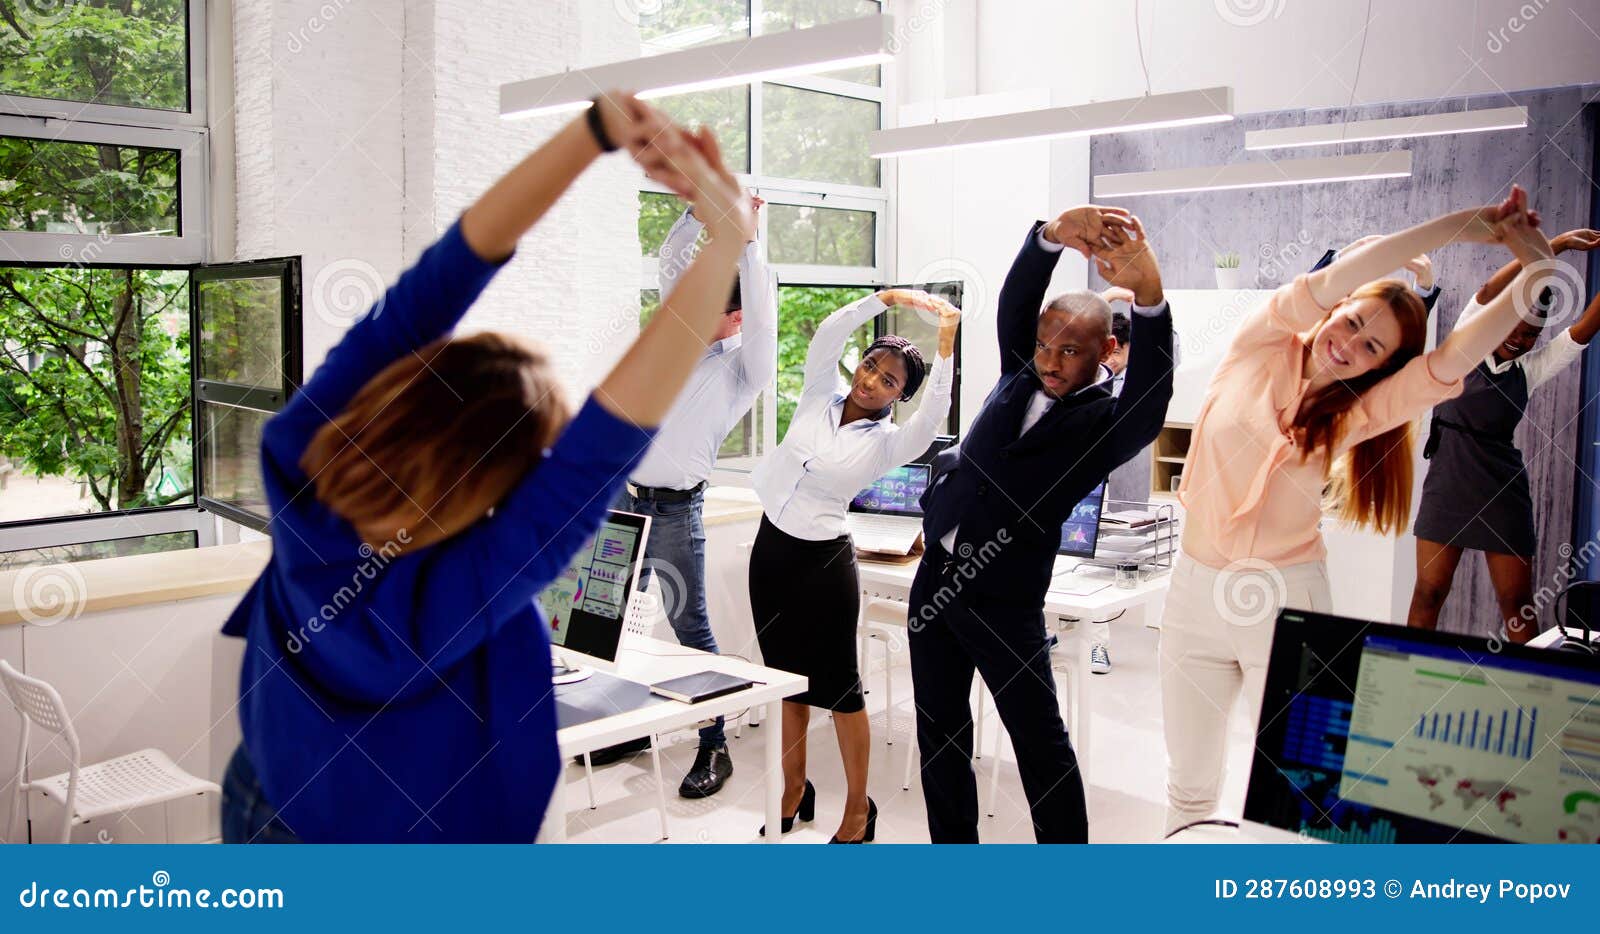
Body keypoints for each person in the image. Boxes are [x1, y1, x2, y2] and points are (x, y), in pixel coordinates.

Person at [218, 94, 756, 843]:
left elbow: (442, 277)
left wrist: (595, 130)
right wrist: (727, 237)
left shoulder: (298, 462)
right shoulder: (475, 580)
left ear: (401, 395)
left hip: (265, 799)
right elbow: (608, 438)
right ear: (498, 482)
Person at [1159, 185, 1557, 836]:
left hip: (1287, 601)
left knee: (1300, 796)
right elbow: (1348, 273)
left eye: (1373, 348)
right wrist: (1463, 224)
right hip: (1192, 594)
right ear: (1337, 306)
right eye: (1352, 322)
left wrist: (1538, 271)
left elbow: (1453, 358)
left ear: (1381, 367)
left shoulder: (1358, 413)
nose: (1350, 344)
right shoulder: (1262, 339)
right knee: (1188, 788)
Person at [910, 206, 1176, 843]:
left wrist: (1150, 299)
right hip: (935, 579)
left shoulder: (1104, 425)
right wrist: (1052, 237)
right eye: (1045, 346)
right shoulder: (1018, 372)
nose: (1052, 361)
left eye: (1070, 351)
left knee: (1039, 745)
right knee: (940, 733)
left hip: (1003, 600)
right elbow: (1016, 300)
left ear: (1105, 351)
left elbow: (1150, 398)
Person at [750, 288, 961, 843]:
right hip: (771, 552)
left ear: (899, 397)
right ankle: (793, 789)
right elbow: (828, 334)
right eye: (871, 367)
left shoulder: (890, 443)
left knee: (841, 690)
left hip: (823, 567)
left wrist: (945, 345)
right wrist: (885, 298)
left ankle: (858, 809)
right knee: (785, 681)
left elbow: (933, 414)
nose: (871, 381)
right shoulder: (817, 395)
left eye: (889, 381)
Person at [591, 194, 777, 798]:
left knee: (689, 627)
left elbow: (763, 308)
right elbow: (671, 258)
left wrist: (748, 240)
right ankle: (625, 726)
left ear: (736, 319)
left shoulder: (744, 368)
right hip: (625, 500)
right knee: (611, 620)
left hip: (674, 511)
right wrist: (699, 210)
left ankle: (713, 744)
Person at [1407, 227, 1600, 642]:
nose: (1520, 339)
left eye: (1531, 334)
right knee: (1428, 593)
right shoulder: (1465, 344)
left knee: (1516, 603)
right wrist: (1555, 247)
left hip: (1502, 490)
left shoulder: (1529, 371)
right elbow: (1486, 292)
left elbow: (1582, 332)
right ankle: (1401, 671)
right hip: (1448, 483)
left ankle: (1530, 680)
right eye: (1515, 326)